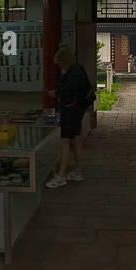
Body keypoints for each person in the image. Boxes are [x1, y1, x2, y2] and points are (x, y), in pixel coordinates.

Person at [46, 45, 92, 188]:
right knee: (76, 138)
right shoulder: (79, 69)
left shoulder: (71, 74)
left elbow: (67, 93)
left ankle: (61, 175)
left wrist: (56, 93)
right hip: (78, 110)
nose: (58, 66)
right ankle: (77, 170)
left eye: (59, 63)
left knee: (65, 141)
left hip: (70, 111)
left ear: (63, 61)